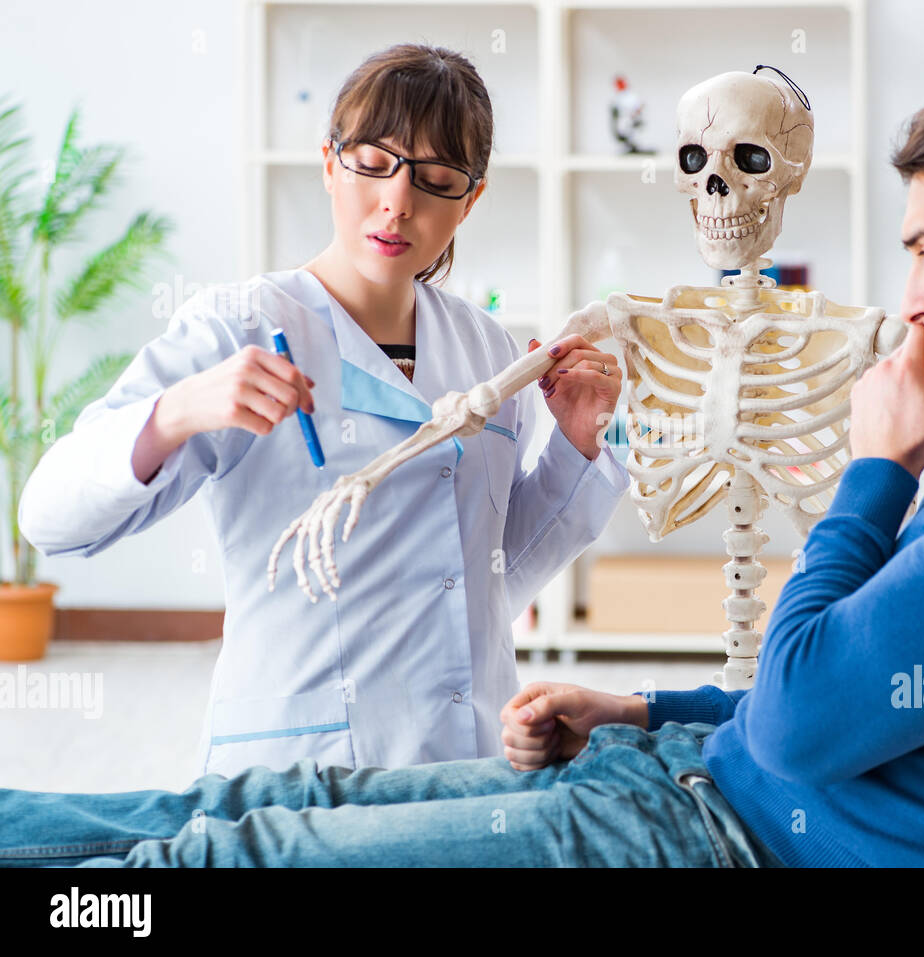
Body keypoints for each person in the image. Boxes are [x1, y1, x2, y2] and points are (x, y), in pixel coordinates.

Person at [1, 61, 924, 868]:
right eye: (372, 164)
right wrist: (649, 707)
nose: (913, 291)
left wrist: (876, 475)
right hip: (679, 778)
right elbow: (847, 700)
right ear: (333, 164)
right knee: (249, 811)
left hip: (692, 832)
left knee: (237, 857)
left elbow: (813, 709)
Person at [16, 44, 629, 780]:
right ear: (331, 163)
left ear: (471, 199)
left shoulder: (487, 350)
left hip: (468, 764)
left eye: (436, 180)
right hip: (299, 770)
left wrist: (576, 443)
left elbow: (489, 576)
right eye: (374, 162)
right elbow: (48, 518)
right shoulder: (237, 327)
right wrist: (174, 412)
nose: (398, 202)